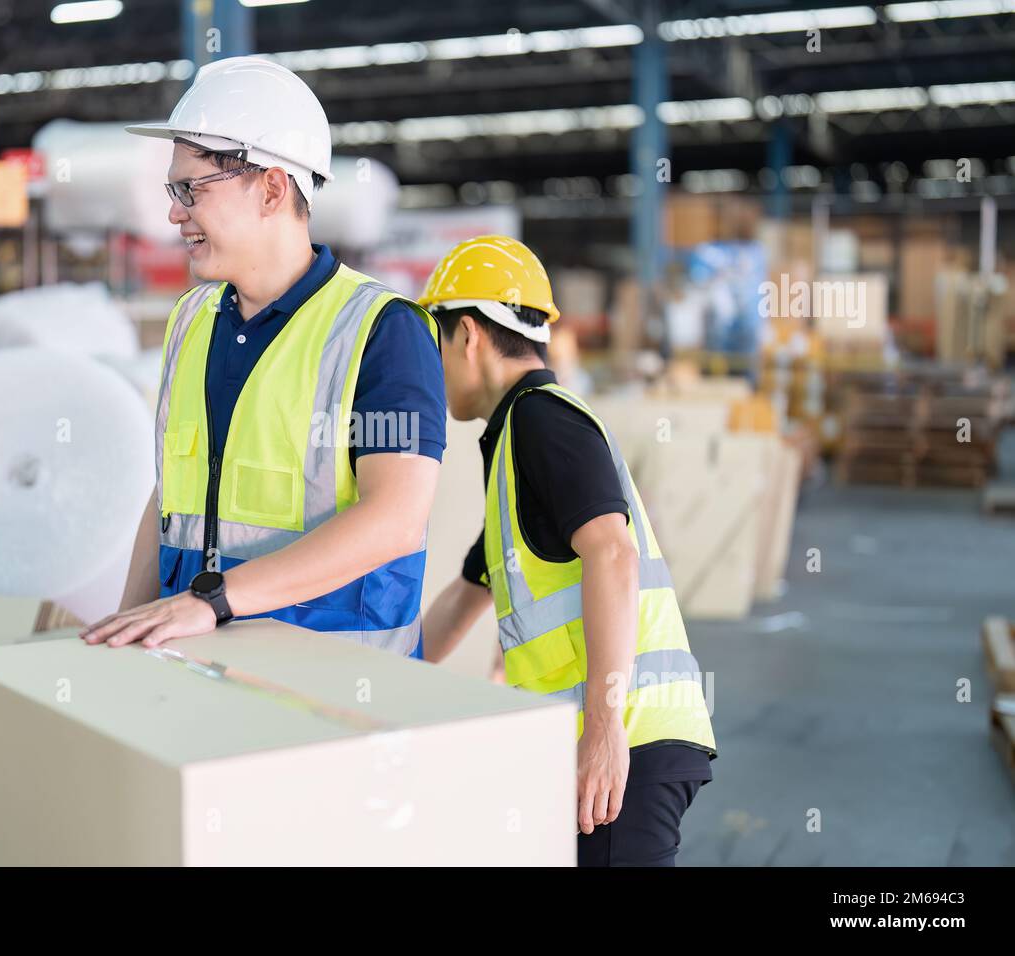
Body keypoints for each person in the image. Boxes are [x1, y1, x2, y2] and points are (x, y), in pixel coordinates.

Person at [80, 57, 446, 656]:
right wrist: (130, 627)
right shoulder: (191, 321)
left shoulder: (382, 331)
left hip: (339, 695)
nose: (175, 212)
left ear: (272, 188)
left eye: (190, 189)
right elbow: (172, 495)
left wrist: (215, 600)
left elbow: (395, 517)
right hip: (203, 679)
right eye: (173, 191)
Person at [418, 235, 717, 866]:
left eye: (436, 343)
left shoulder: (542, 420)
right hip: (605, 742)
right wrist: (383, 677)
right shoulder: (511, 442)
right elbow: (472, 589)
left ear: (468, 336)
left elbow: (613, 554)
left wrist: (606, 732)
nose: (434, 366)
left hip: (625, 739)